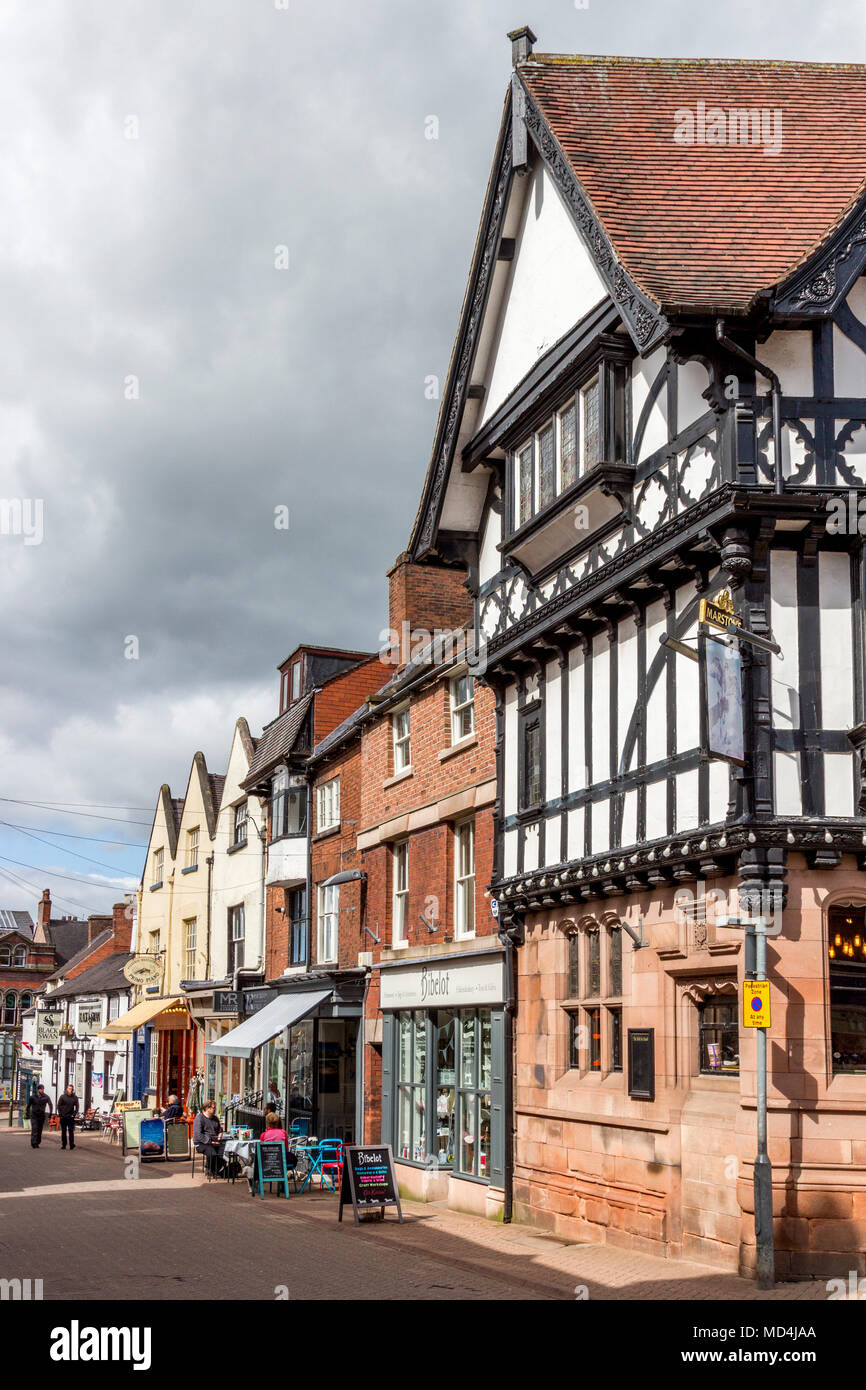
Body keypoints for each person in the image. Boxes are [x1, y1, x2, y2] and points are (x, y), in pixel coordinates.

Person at [193, 1100, 225, 1177]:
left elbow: (219, 1129)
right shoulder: (199, 1118)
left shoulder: (215, 1118)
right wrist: (211, 1142)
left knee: (225, 1152)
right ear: (207, 1108)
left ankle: (215, 1170)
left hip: (215, 1141)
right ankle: (210, 1170)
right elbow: (198, 1135)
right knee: (212, 1152)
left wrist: (220, 1135)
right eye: (213, 1108)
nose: (215, 1110)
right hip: (201, 1143)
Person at [57, 1085, 79, 1150]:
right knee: (63, 1131)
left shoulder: (75, 1098)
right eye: (69, 1089)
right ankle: (64, 1144)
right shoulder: (62, 1097)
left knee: (71, 1131)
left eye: (71, 1089)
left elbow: (77, 1107)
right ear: (67, 1089)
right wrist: (60, 1114)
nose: (70, 1090)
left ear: (73, 1090)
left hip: (70, 1117)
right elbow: (59, 1106)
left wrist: (74, 1114)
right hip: (63, 1117)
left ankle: (71, 1144)